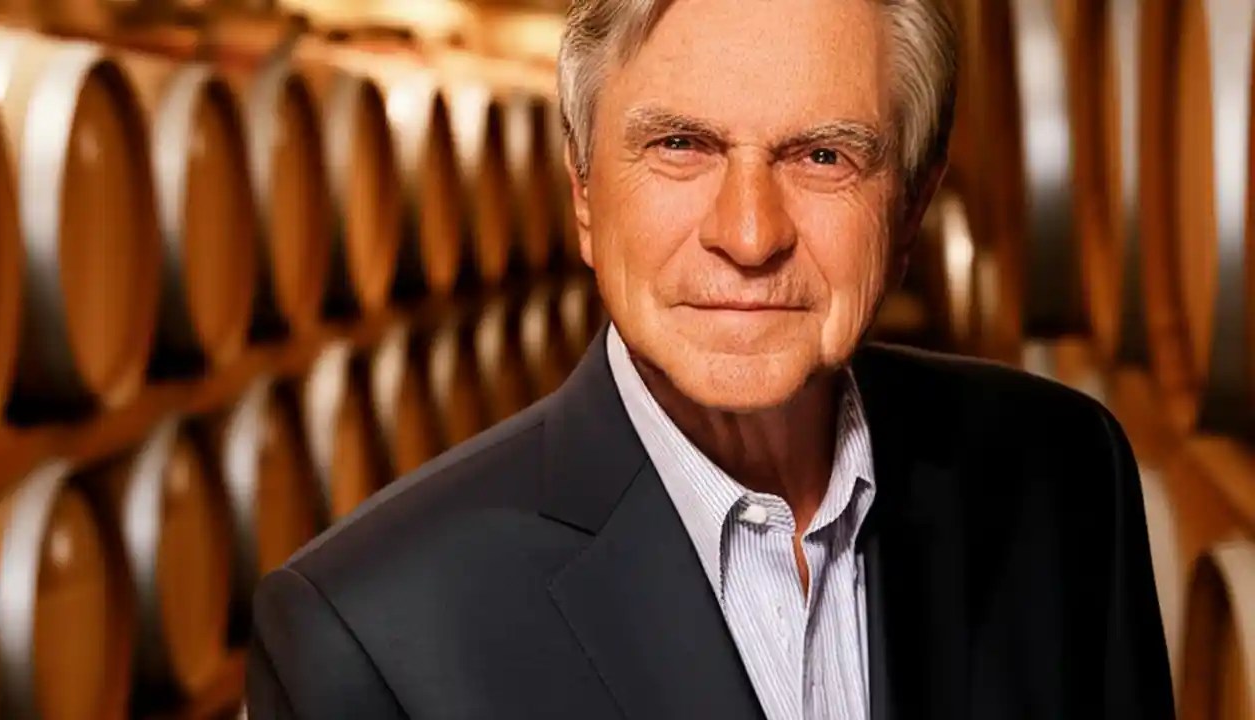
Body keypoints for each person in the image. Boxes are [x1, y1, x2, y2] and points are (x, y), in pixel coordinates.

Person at [245, 0, 1175, 717]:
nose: (748, 233)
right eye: (680, 145)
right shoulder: (364, 631)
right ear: (581, 191)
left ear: (909, 209)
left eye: (822, 156)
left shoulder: (1065, 473)